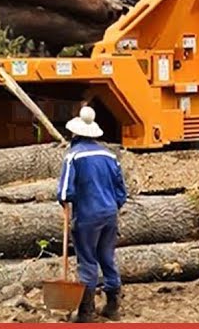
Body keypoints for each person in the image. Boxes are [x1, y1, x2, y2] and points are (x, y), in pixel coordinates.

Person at [58, 106, 128, 322]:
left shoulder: (73, 157)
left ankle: (86, 312)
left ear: (75, 134)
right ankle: (113, 306)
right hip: (109, 213)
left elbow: (65, 192)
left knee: (87, 260)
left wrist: (65, 201)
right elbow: (121, 191)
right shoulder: (110, 155)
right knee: (107, 257)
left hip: (87, 216)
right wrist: (113, 205)